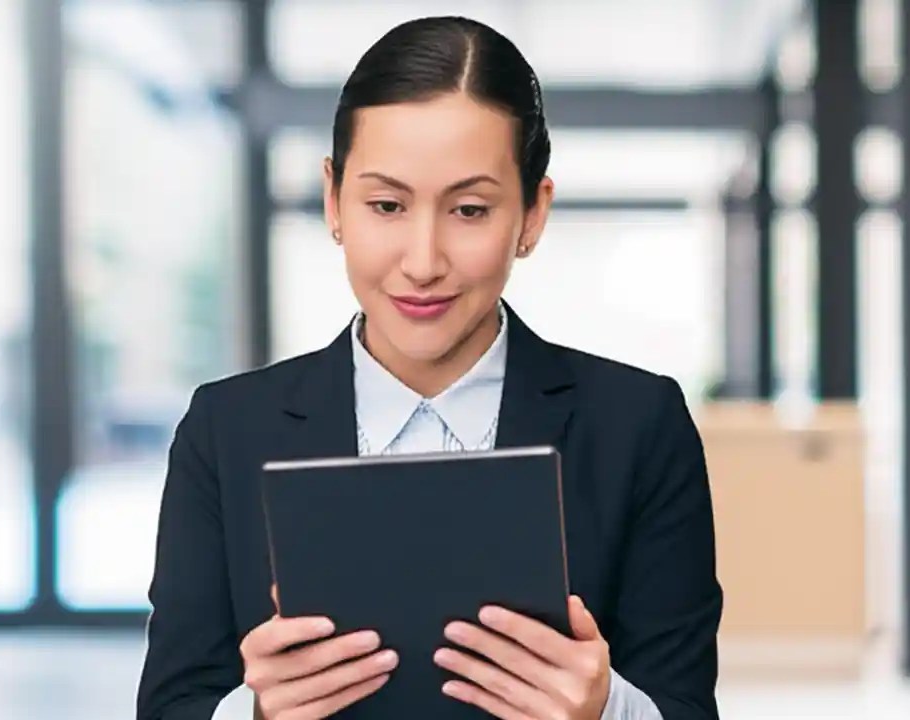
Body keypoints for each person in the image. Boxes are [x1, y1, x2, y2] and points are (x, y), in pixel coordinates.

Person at [137, 16, 721, 720]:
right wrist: (255, 715)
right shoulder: (226, 431)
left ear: (532, 215)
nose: (422, 261)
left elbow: (685, 705)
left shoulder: (638, 428)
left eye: (469, 210)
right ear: (333, 201)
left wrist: (604, 710)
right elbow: (172, 705)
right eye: (386, 205)